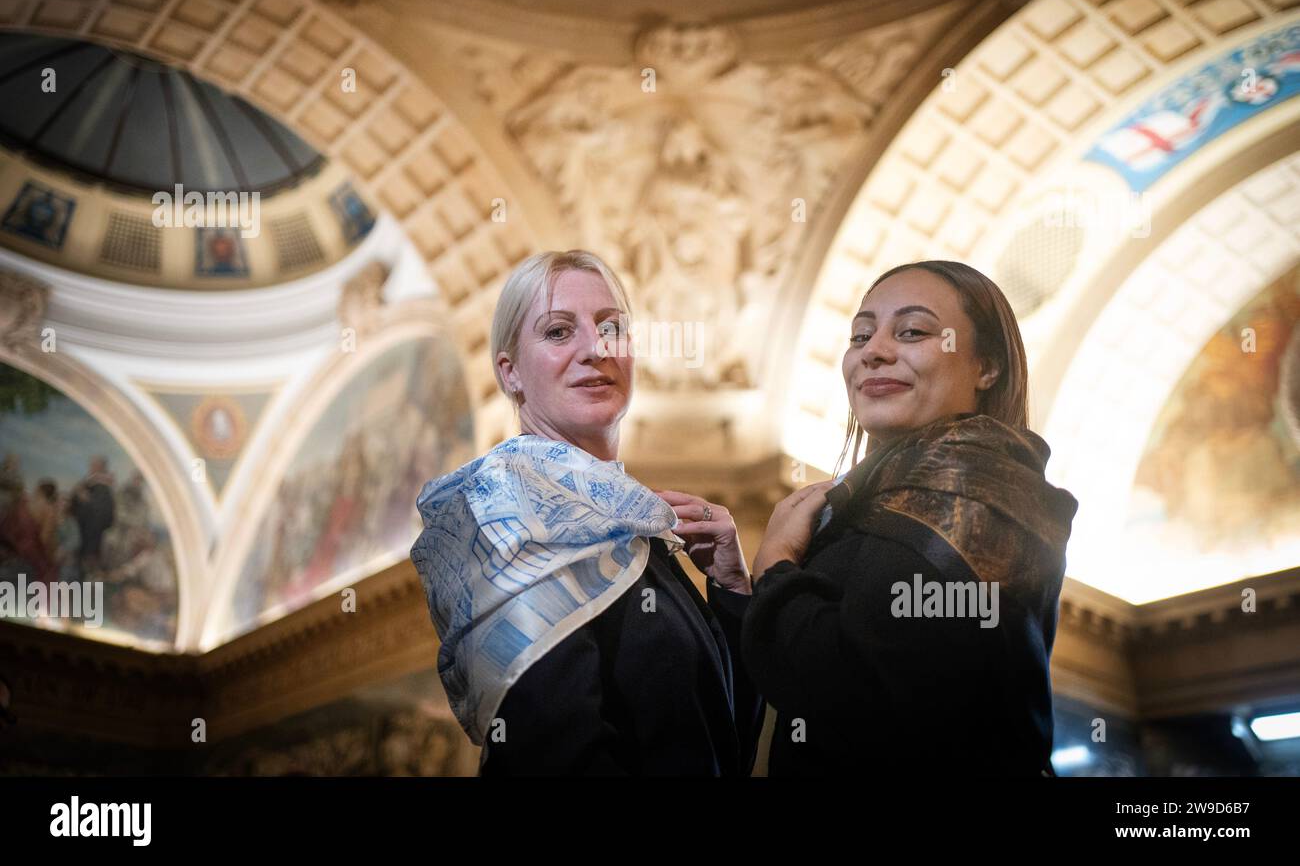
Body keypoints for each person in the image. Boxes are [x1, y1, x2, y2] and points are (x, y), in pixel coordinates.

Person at [410, 250, 763, 775]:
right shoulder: (506, 508)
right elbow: (553, 752)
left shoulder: (634, 525)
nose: (594, 349)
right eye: (557, 332)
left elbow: (724, 746)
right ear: (510, 374)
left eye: (612, 328)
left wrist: (733, 591)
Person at [742, 260, 1078, 776]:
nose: (873, 351)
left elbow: (857, 689)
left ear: (986, 366)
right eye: (860, 336)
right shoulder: (871, 496)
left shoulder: (972, 480)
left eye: (913, 331)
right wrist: (736, 588)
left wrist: (776, 569)